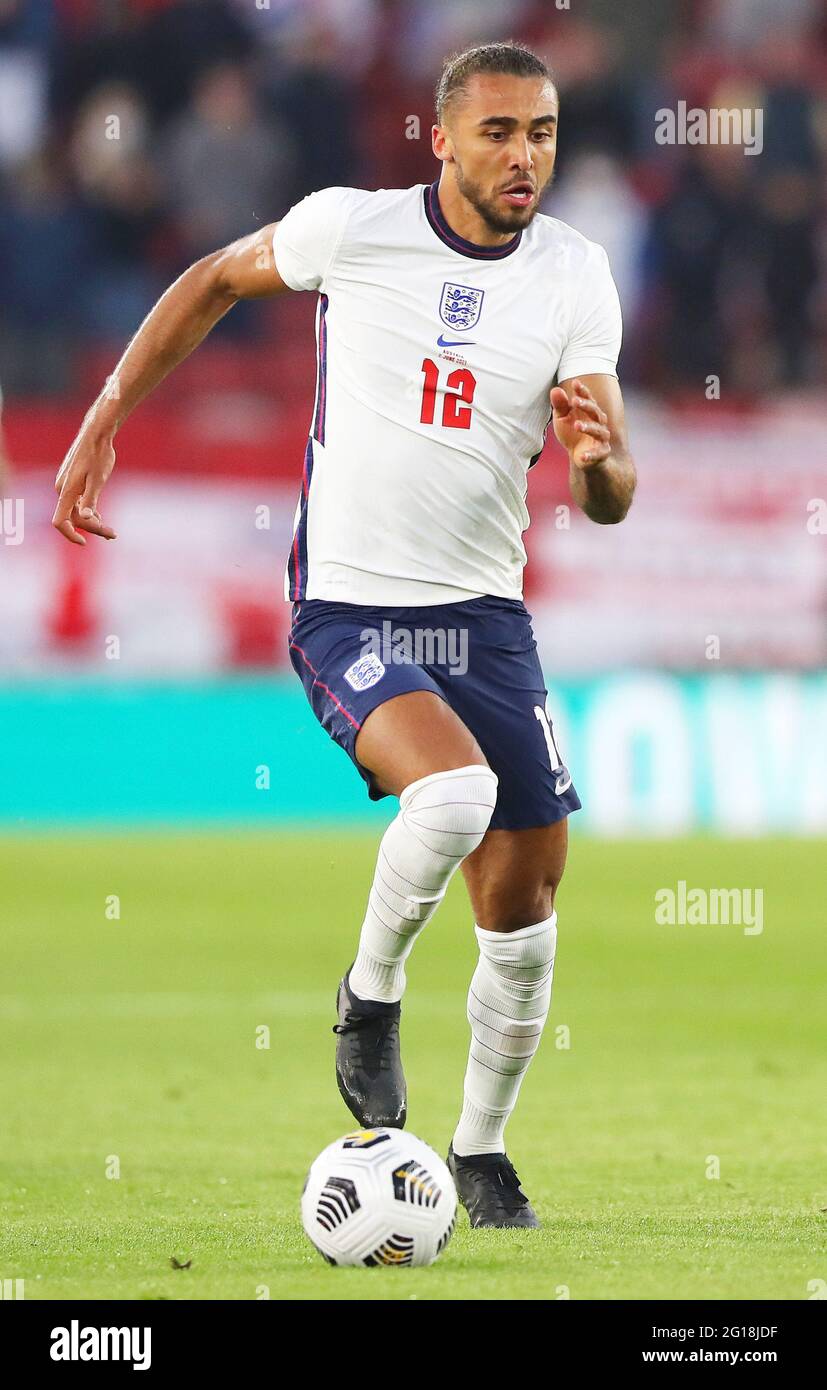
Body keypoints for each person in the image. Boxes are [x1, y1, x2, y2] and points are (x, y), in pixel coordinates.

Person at [53, 41, 636, 1229]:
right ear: (440, 140)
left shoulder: (575, 274)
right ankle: (368, 999)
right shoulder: (351, 231)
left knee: (523, 915)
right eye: (497, 132)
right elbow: (214, 278)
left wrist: (599, 463)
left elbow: (609, 487)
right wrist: (111, 408)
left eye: (541, 133)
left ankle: (477, 1153)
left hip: (486, 618)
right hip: (352, 605)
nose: (522, 155)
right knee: (454, 798)